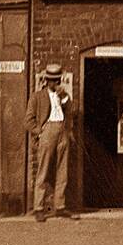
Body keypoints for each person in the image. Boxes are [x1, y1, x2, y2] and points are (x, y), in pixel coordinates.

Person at [25, 63, 77, 221]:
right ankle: (39, 208)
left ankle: (60, 206)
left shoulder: (63, 96)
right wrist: (40, 132)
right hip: (47, 132)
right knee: (43, 170)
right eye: (53, 81)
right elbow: (28, 121)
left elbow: (72, 112)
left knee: (63, 170)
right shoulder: (37, 96)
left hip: (63, 131)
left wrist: (65, 98)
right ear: (47, 81)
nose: (56, 83)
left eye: (58, 80)